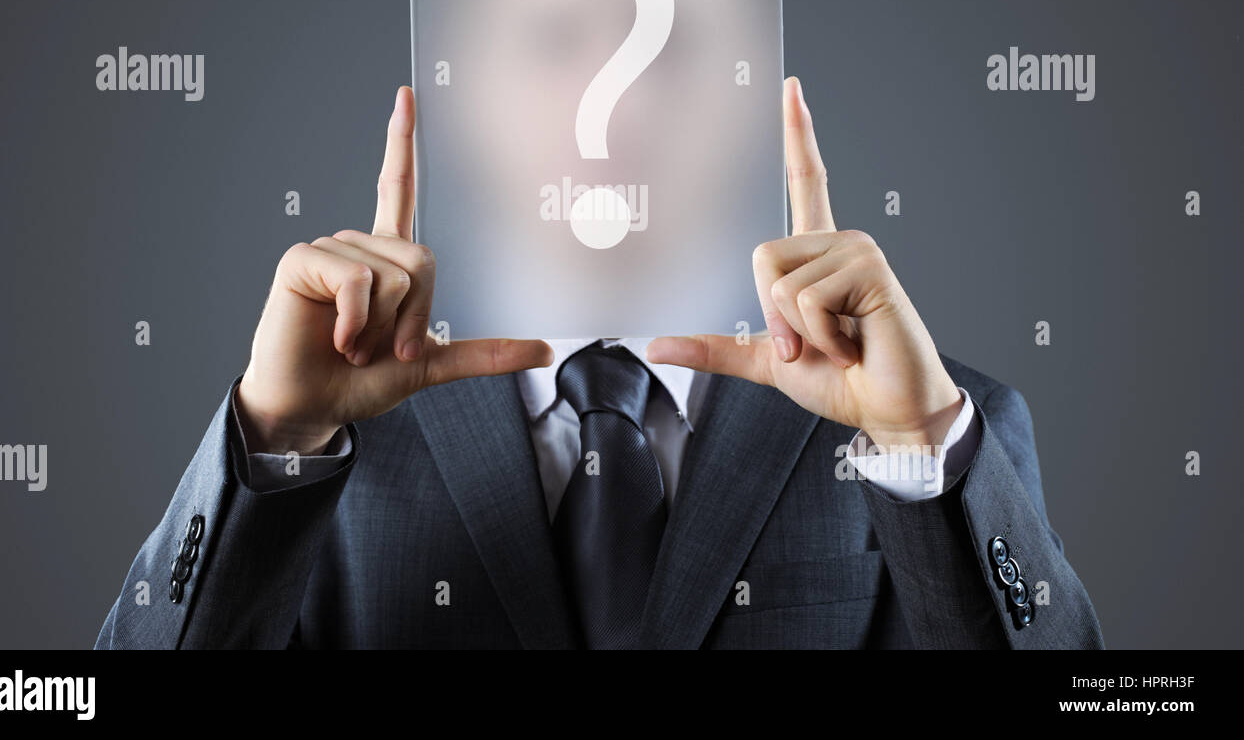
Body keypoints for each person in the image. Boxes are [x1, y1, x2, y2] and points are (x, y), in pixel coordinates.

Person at [96, 77, 1103, 649]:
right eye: (543, 58)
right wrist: (273, 442)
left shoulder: (923, 418)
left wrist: (919, 446)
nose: (606, 110)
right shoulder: (324, 423)